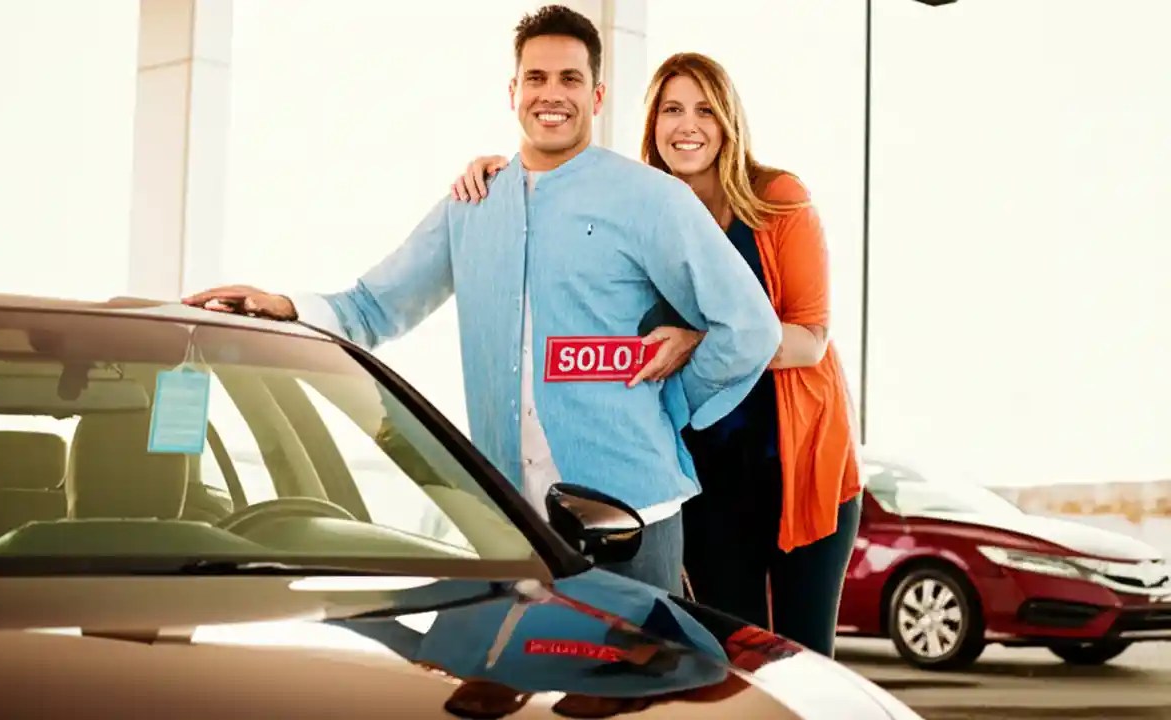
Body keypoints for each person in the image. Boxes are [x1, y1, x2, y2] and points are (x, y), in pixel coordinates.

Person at [182, 7, 781, 596]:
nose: (553, 94)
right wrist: (287, 306)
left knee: (633, 694)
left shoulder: (651, 199)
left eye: (570, 79)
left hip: (631, 519)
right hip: (510, 525)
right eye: (537, 79)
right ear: (513, 91)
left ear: (596, 97)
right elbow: (373, 307)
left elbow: (750, 328)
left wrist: (669, 404)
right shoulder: (470, 205)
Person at [448, 52, 862, 657]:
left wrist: (702, 341)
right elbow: (559, 217)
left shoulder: (778, 199)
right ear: (652, 123)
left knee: (802, 661)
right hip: (704, 469)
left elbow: (810, 338)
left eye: (704, 110)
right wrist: (500, 177)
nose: (687, 125)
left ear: (728, 123)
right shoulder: (634, 203)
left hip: (795, 466)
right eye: (672, 110)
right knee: (730, 659)